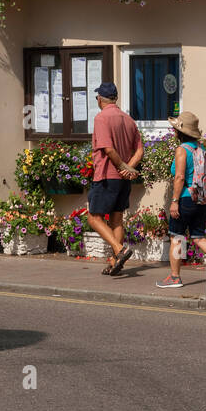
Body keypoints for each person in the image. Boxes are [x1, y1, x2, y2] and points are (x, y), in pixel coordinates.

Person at [157, 112, 206, 289]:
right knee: (198, 237)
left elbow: (180, 177)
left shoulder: (182, 150)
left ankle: (175, 277)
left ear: (179, 132)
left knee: (177, 237)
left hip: (185, 199)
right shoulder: (200, 149)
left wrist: (174, 200)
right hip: (201, 200)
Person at [89, 82, 143, 277]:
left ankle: (119, 251)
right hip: (123, 179)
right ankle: (114, 262)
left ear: (100, 99)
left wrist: (122, 166)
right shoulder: (128, 119)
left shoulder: (101, 118)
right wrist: (129, 168)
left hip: (106, 175)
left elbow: (108, 149)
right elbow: (139, 150)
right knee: (117, 219)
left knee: (94, 218)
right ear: (115, 98)